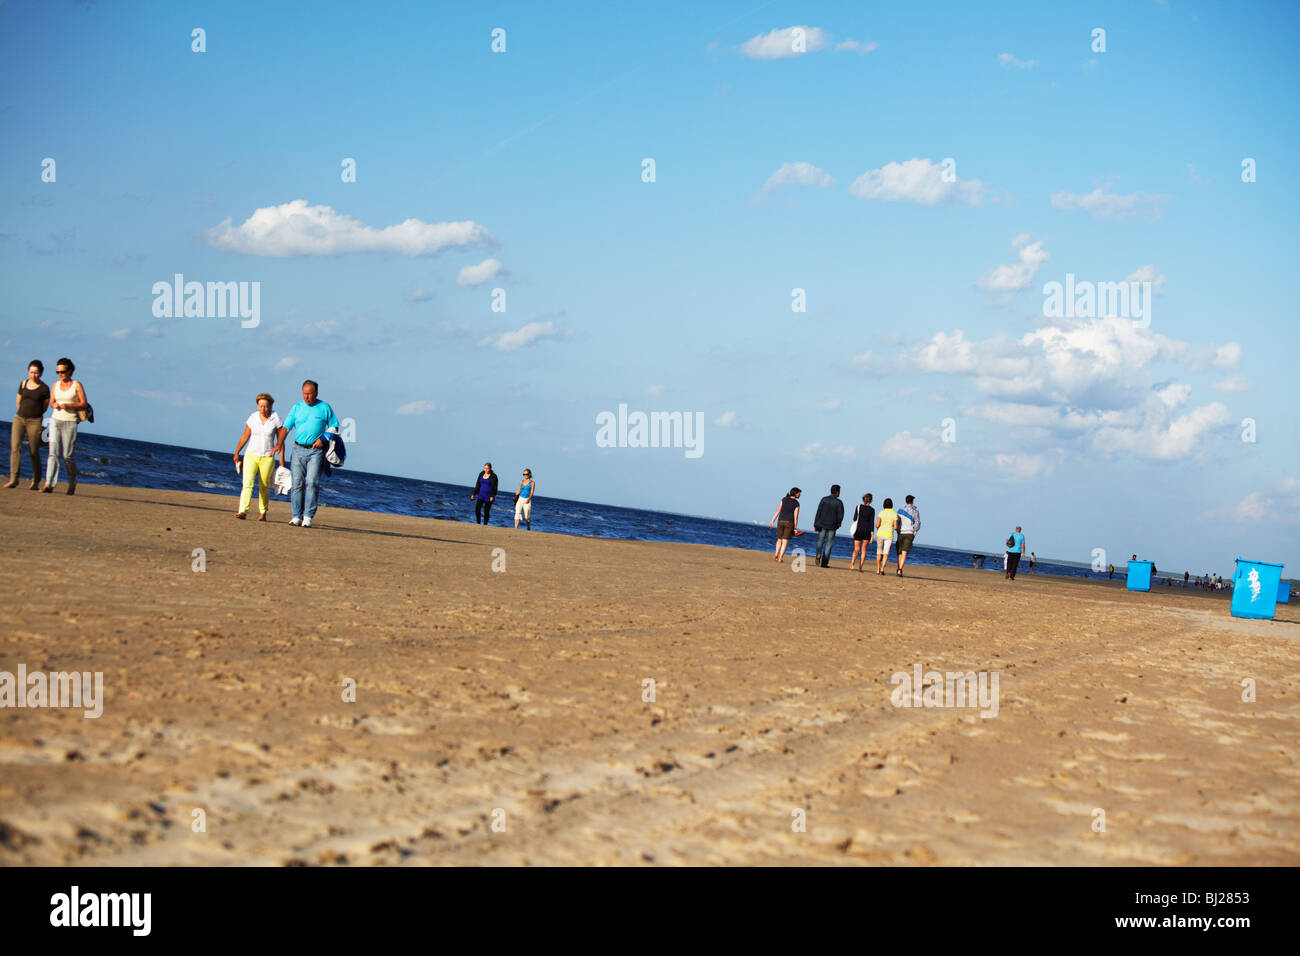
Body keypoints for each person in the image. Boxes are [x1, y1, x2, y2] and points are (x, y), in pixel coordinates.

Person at [279, 379, 340, 527]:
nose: (307, 397)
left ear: (316, 393)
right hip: (298, 449)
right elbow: (286, 428)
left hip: (316, 451)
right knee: (297, 484)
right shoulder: (297, 408)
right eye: (304, 393)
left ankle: (308, 516)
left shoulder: (325, 408)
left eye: (310, 394)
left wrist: (323, 439)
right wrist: (278, 444)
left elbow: (335, 427)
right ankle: (296, 516)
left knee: (312, 483)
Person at [233, 393, 286, 521]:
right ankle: (242, 511)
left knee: (263, 485)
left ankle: (263, 513)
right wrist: (237, 452)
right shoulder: (253, 418)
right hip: (251, 454)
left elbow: (281, 439)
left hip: (267, 456)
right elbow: (245, 436)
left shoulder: (275, 419)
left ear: (270, 406)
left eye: (266, 406)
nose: (263, 409)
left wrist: (282, 459)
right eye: (260, 406)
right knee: (247, 483)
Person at [44, 358, 87, 494]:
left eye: (62, 371)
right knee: (52, 453)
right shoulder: (55, 385)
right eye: (58, 371)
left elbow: (83, 403)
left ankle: (72, 482)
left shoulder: (76, 385)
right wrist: (54, 404)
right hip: (55, 420)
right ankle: (48, 484)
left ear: (69, 371)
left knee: (67, 455)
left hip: (70, 421)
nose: (60, 374)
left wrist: (68, 405)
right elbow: (51, 401)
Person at [7, 360, 49, 490]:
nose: (33, 375)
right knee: (15, 448)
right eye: (31, 372)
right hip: (19, 419)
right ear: (28, 372)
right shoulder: (23, 383)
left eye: (36, 373)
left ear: (41, 373)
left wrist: (34, 416)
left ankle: (36, 480)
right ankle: (14, 479)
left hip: (35, 421)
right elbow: (18, 401)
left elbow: (45, 407)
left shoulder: (44, 388)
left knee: (33, 451)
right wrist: (23, 414)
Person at [813, 484, 844, 568]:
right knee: (829, 544)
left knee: (820, 541)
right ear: (837, 492)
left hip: (821, 524)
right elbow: (840, 515)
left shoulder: (824, 499)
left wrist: (815, 523)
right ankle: (824, 563)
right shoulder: (839, 502)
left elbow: (818, 511)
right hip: (832, 526)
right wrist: (838, 524)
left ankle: (818, 555)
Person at [769, 487, 801, 563]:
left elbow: (778, 511)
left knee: (779, 539)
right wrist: (795, 528)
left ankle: (776, 554)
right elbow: (795, 517)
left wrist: (772, 520)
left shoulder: (784, 499)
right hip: (789, 522)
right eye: (799, 493)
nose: (800, 495)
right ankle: (780, 558)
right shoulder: (796, 503)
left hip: (780, 521)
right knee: (785, 540)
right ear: (796, 494)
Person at [896, 494, 921, 577]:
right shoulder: (915, 511)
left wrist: (898, 530)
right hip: (909, 533)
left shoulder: (900, 510)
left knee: (899, 552)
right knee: (904, 552)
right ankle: (900, 569)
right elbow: (917, 523)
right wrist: (914, 531)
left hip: (901, 532)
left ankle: (899, 568)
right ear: (912, 501)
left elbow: (897, 521)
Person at [850, 494, 875, 572]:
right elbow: (871, 523)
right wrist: (872, 535)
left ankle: (852, 564)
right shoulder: (872, 510)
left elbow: (854, 518)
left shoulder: (858, 507)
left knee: (856, 549)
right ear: (870, 500)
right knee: (864, 550)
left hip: (859, 529)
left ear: (863, 500)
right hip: (867, 531)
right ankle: (860, 567)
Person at [874, 498, 899, 575]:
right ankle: (882, 569)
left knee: (879, 552)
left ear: (884, 504)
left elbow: (877, 525)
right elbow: (895, 527)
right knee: (886, 553)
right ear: (891, 505)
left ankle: (877, 569)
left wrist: (879, 528)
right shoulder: (894, 513)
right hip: (889, 534)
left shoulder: (881, 512)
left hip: (880, 533)